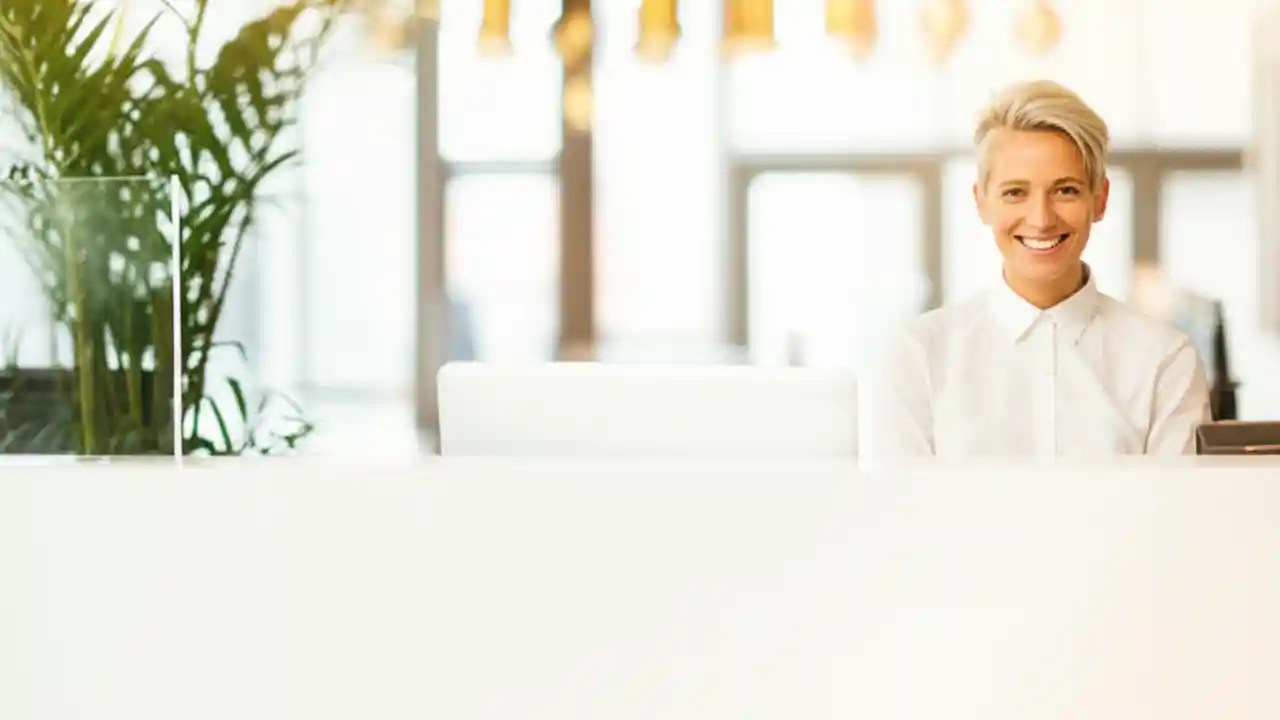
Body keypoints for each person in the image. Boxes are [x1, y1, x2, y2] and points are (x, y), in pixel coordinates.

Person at [866, 79, 1210, 460]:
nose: (1041, 219)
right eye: (1015, 192)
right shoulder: (919, 354)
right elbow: (901, 512)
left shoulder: (1163, 359)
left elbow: (1178, 514)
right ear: (981, 202)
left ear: (1100, 199)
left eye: (1065, 190)